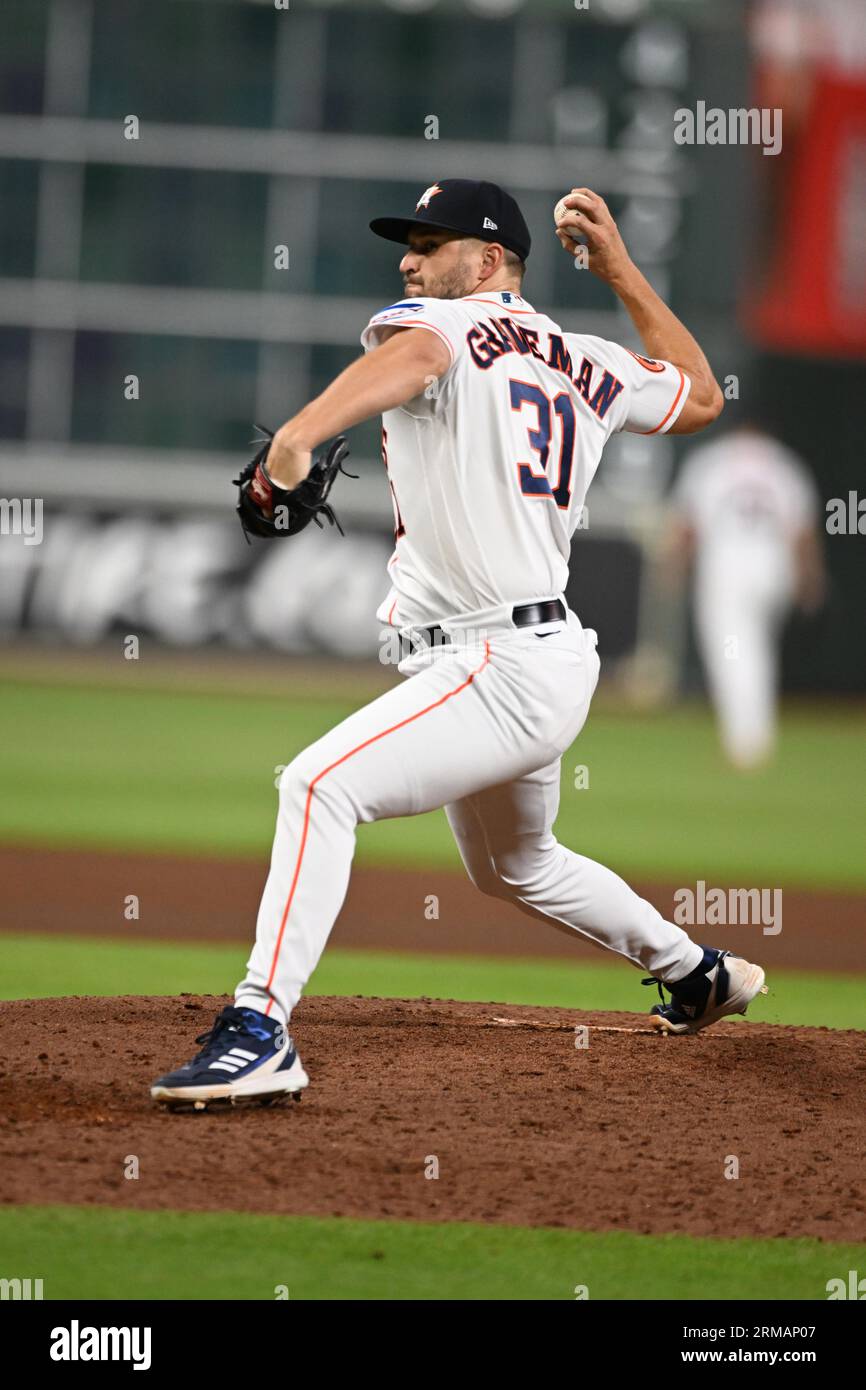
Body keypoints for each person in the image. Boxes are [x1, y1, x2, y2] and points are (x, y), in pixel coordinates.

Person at [152, 179, 766, 1108]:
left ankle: (259, 1028)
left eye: (431, 242)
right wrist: (624, 272)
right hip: (532, 651)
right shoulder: (584, 356)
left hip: (497, 664)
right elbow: (703, 396)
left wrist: (302, 436)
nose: (408, 258)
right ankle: (697, 972)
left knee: (319, 784)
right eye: (408, 242)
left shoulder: (445, 323)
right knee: (517, 864)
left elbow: (418, 360)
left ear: (488, 264)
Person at [667, 421, 825, 768]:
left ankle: (746, 742)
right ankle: (755, 735)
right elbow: (801, 532)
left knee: (733, 655)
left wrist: (675, 567)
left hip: (725, 568)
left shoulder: (711, 461)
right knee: (758, 651)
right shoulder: (784, 464)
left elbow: (686, 527)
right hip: (773, 568)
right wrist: (810, 578)